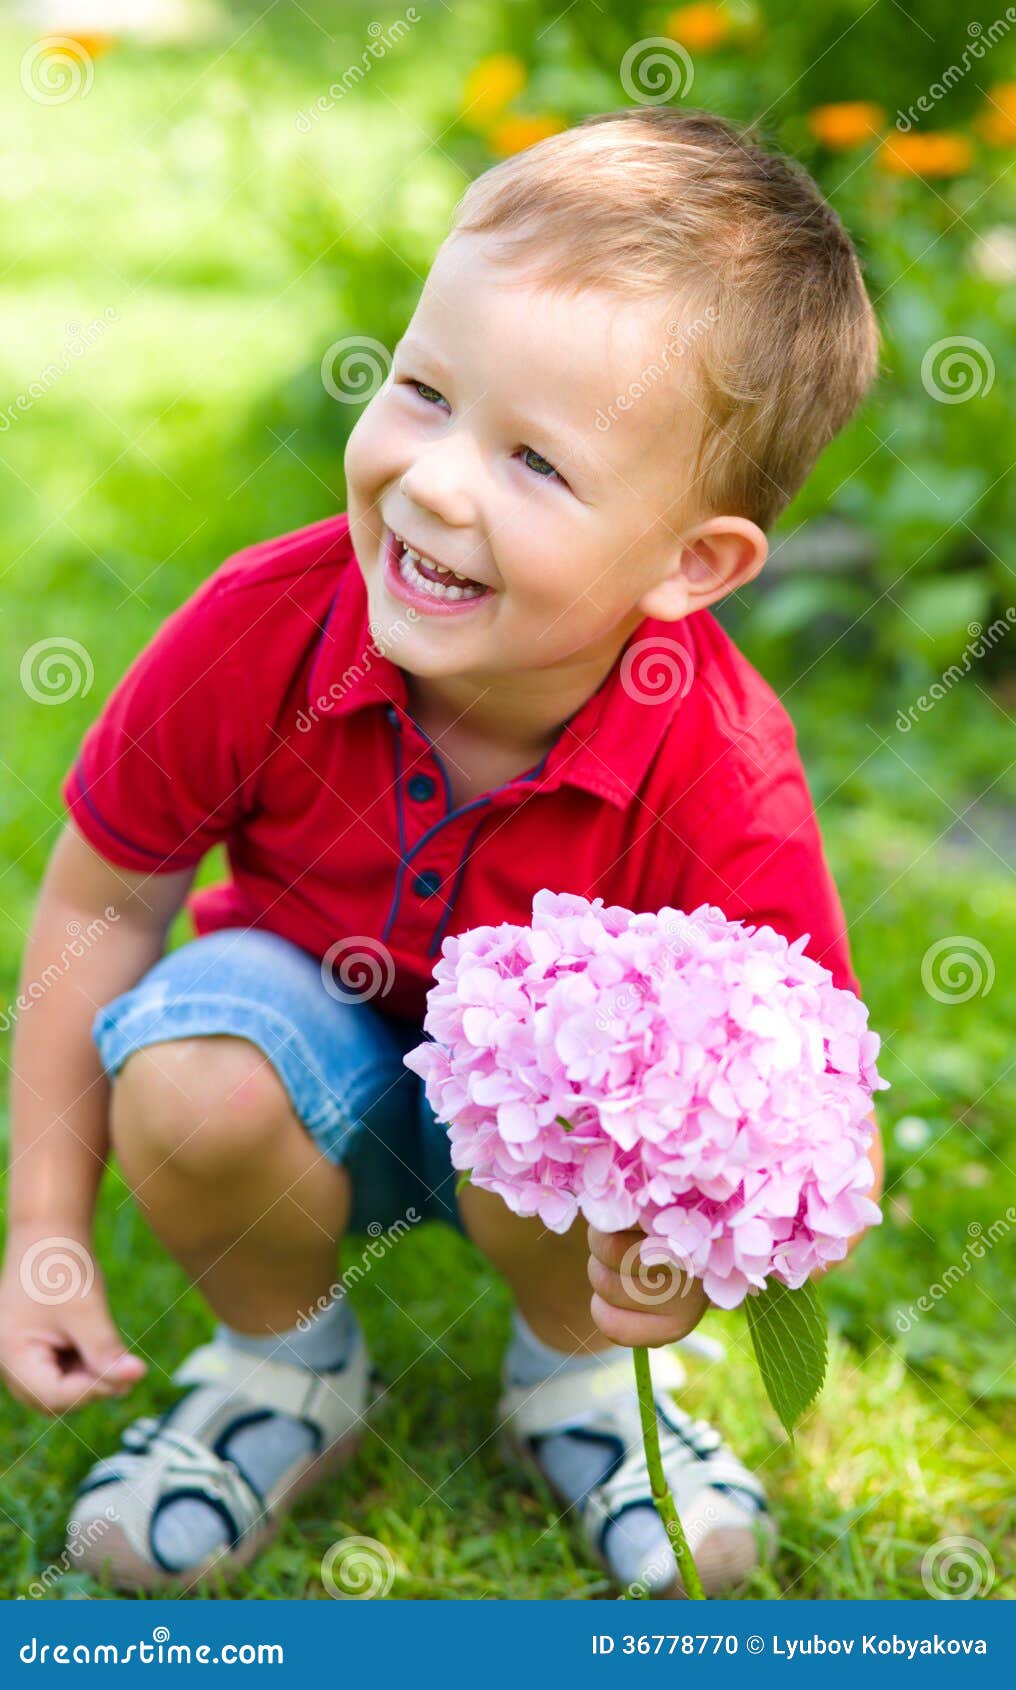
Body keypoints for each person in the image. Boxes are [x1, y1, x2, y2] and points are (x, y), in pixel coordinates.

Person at [0, 107, 884, 1596]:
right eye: (423, 391)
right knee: (189, 1069)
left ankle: (579, 1382)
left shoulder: (717, 760)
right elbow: (106, 893)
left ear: (693, 563)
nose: (435, 484)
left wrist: (668, 1259)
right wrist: (43, 1225)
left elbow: (806, 1107)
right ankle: (281, 1371)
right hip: (297, 1047)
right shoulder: (261, 629)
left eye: (537, 462)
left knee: (619, 1090)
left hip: (538, 1150)